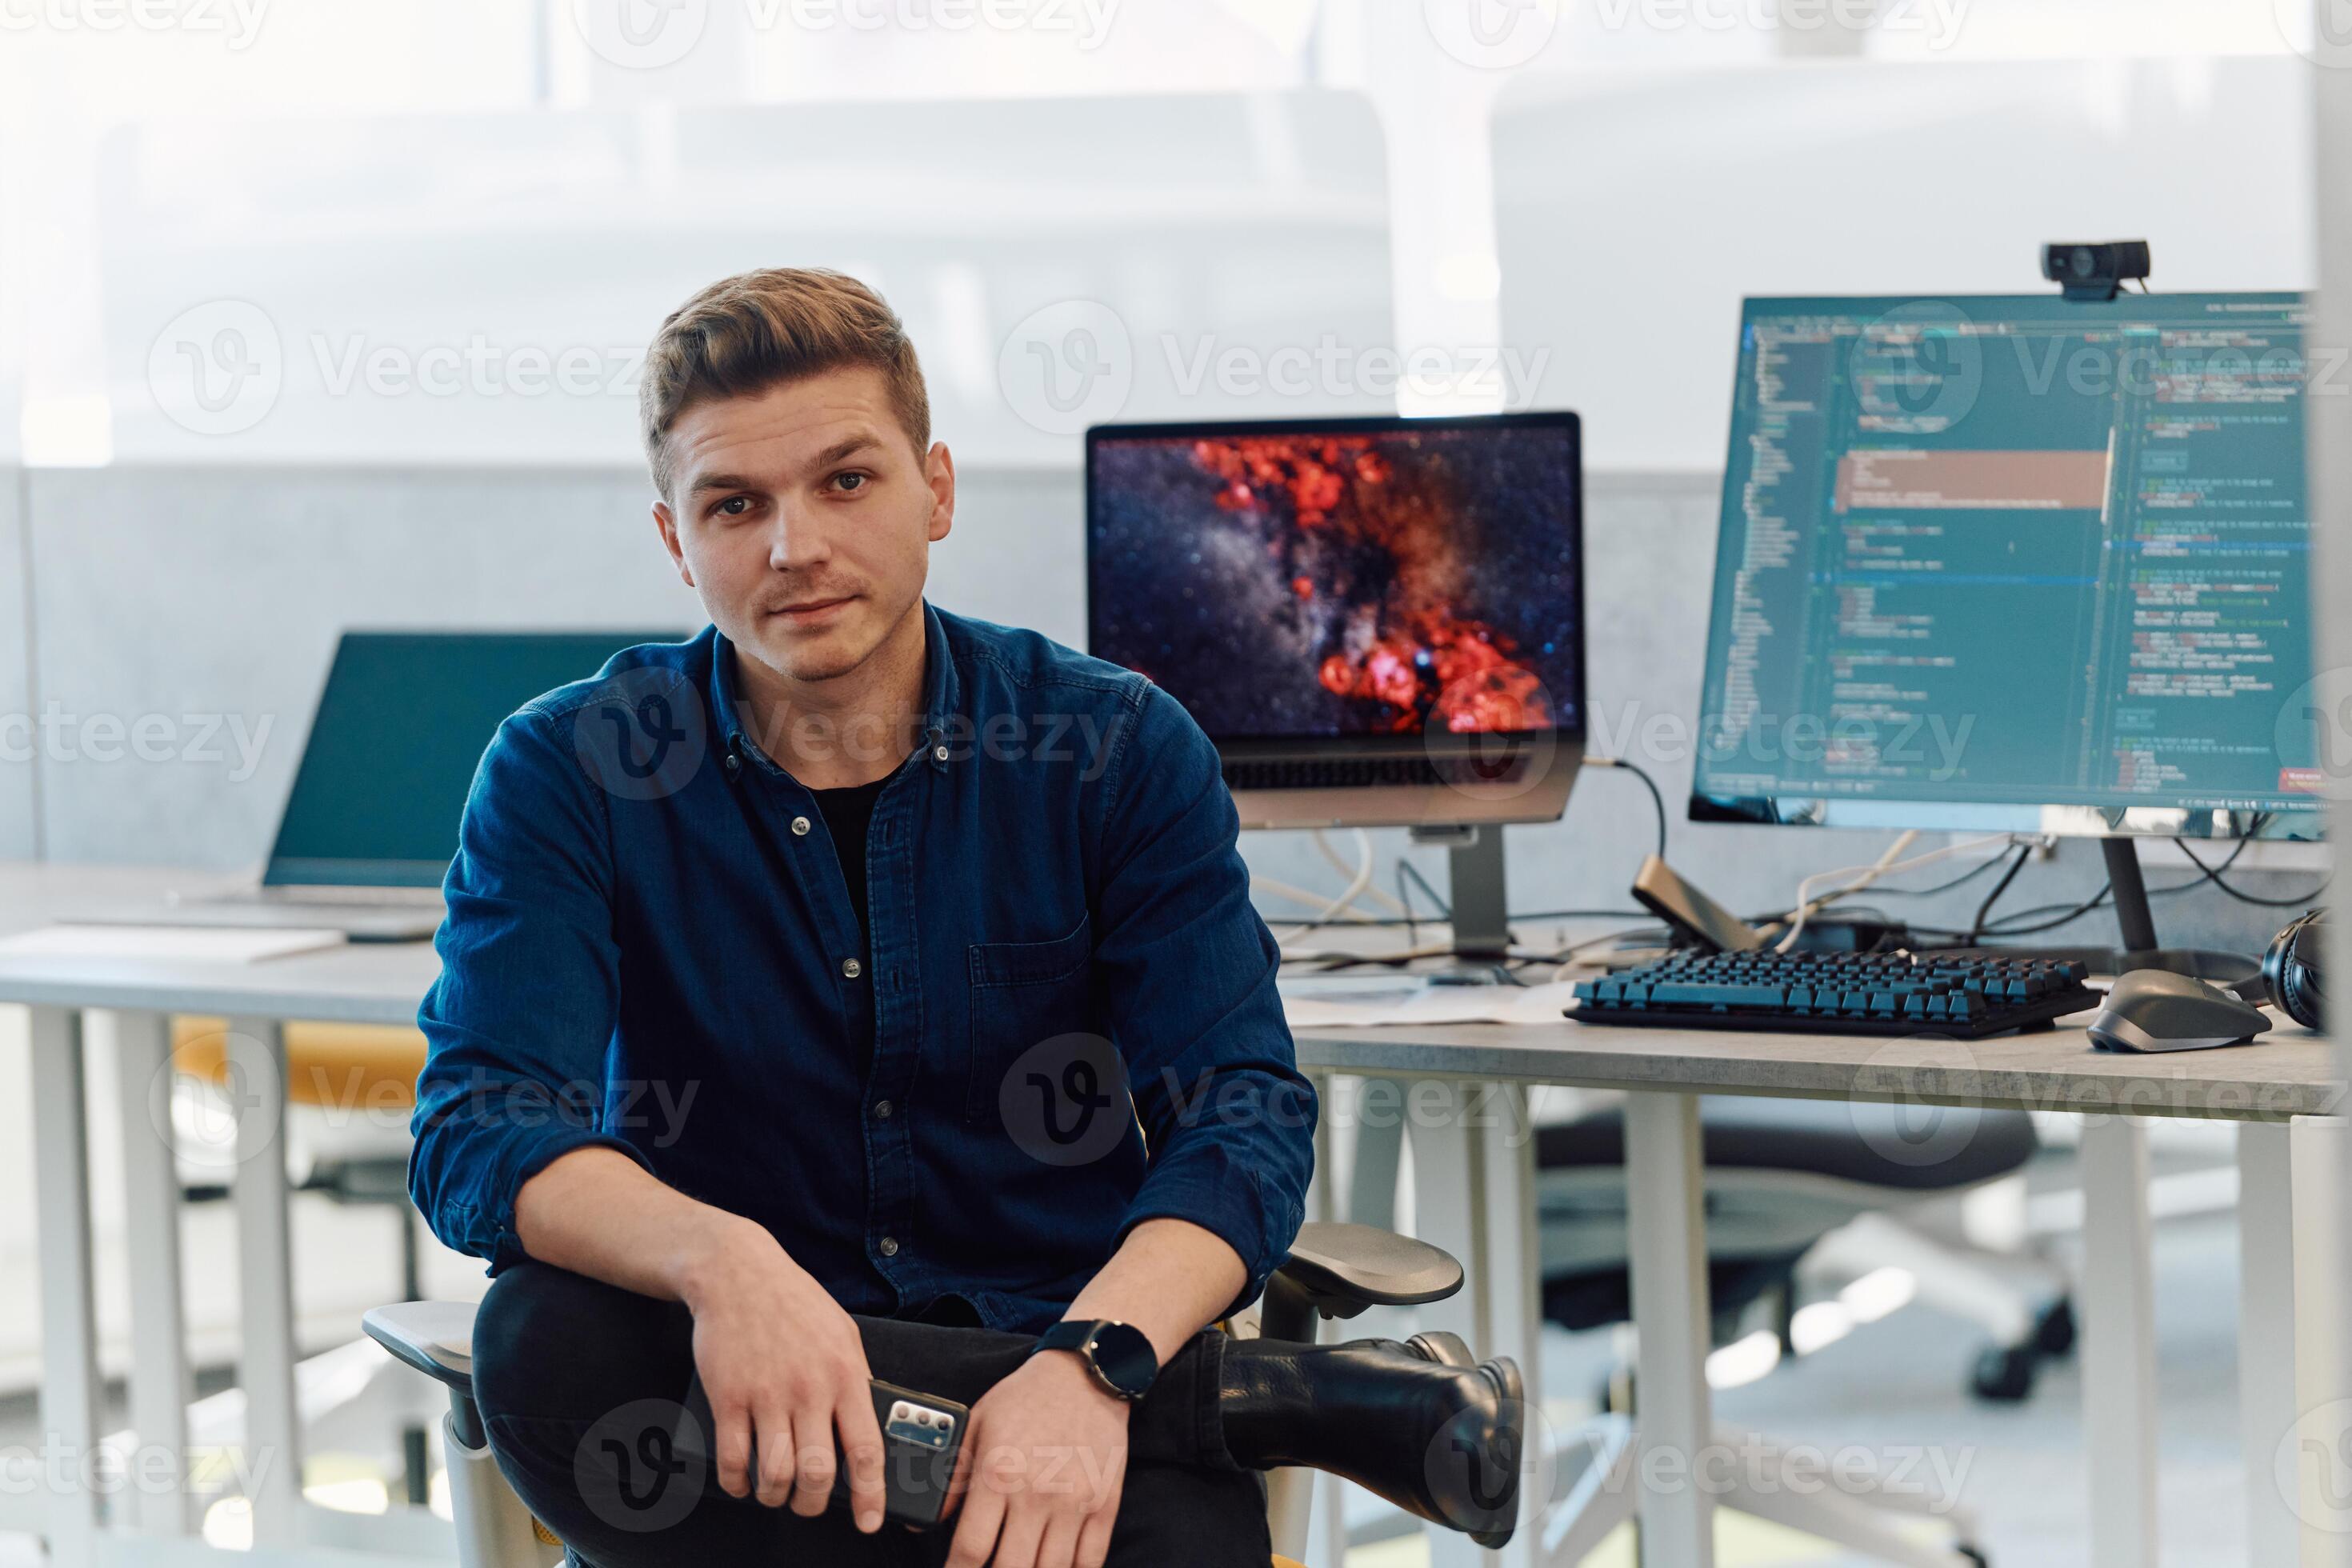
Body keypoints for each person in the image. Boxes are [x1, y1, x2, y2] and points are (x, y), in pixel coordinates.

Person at [408, 267, 1522, 1568]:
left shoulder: (1112, 746)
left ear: (936, 490)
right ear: (676, 540)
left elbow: (1241, 1115)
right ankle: (1243, 1408)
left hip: (1067, 1407)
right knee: (545, 1343)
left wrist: (1092, 1367)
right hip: (751, 1402)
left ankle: (1124, 1421)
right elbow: (482, 1126)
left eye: (846, 480)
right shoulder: (572, 768)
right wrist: (726, 1266)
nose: (794, 547)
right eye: (735, 504)